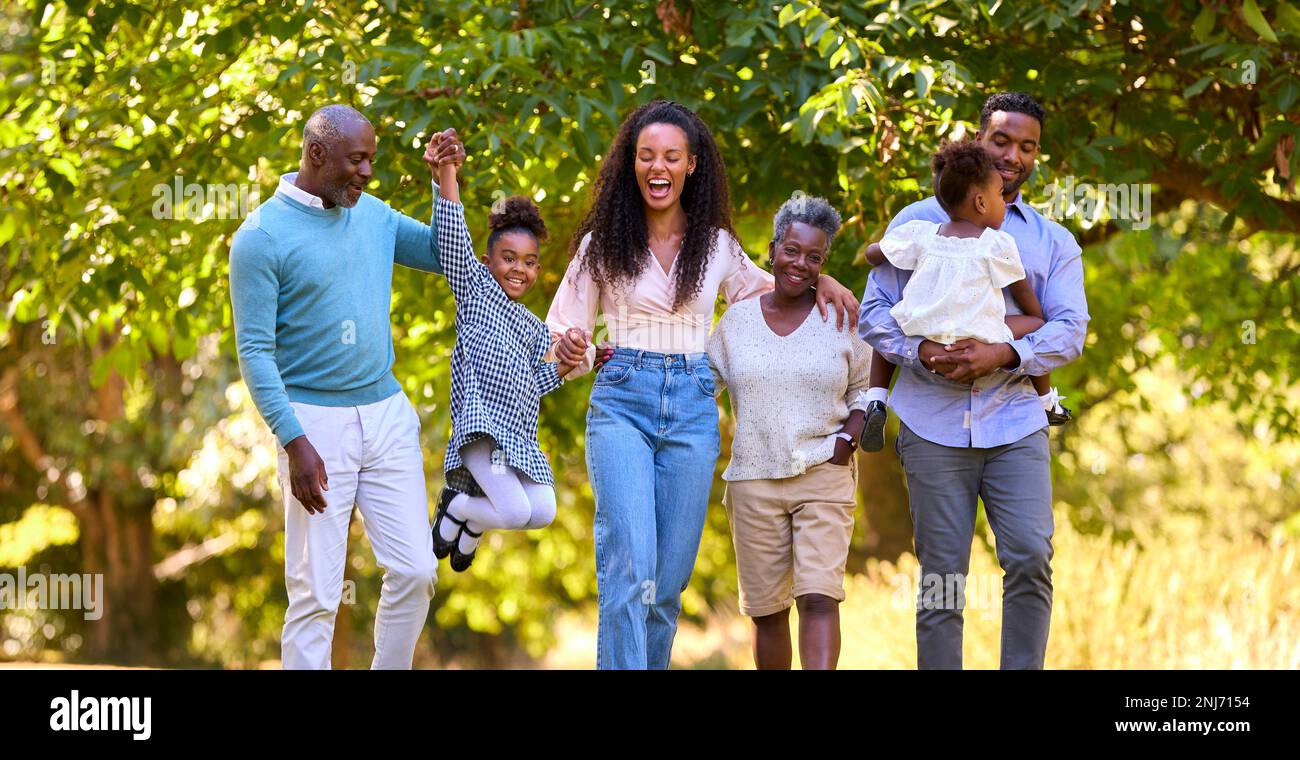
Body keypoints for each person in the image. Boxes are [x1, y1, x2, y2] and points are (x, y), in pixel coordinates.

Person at [546, 99, 860, 669]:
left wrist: (826, 275)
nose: (657, 167)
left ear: (692, 165)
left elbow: (780, 284)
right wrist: (576, 346)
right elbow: (560, 331)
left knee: (665, 584)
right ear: (630, 163)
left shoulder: (714, 245)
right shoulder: (602, 244)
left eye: (671, 156)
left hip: (693, 405)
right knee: (629, 566)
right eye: (646, 156)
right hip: (622, 401)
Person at [859, 92, 1090, 669]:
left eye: (1027, 145)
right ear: (977, 142)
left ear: (1037, 155)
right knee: (942, 576)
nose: (1013, 154)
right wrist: (923, 350)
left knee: (1032, 556)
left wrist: (1003, 355)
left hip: (1015, 422)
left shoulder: (1052, 242)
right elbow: (875, 313)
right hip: (932, 426)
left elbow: (1068, 330)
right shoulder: (916, 223)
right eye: (1002, 140)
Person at [229, 105, 465, 669]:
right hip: (314, 425)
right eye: (356, 160)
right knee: (315, 595)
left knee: (415, 570)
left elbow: (444, 254)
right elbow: (256, 353)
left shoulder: (376, 217)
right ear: (316, 154)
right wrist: (294, 440)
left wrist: (446, 183)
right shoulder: (260, 239)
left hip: (386, 412)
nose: (367, 173)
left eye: (371, 161)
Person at [706, 195, 871, 669]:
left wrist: (848, 440)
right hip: (753, 480)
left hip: (824, 470)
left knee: (819, 597)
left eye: (814, 257)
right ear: (774, 249)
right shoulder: (735, 323)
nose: (800, 264)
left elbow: (864, 386)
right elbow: (702, 386)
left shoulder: (840, 318)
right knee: (768, 612)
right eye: (792, 251)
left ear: (824, 263)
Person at [426, 134, 584, 573]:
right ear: (487, 260)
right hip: (482, 430)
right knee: (514, 512)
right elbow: (452, 231)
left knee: (544, 509)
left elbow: (539, 380)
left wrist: (569, 363)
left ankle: (470, 519)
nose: (521, 269)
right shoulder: (473, 288)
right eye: (509, 258)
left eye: (530, 261)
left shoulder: (533, 327)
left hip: (518, 438)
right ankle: (457, 507)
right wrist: (447, 172)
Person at [856, 139, 1071, 452]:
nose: (1003, 202)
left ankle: (876, 397)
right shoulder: (997, 244)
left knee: (895, 316)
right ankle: (1046, 400)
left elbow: (874, 253)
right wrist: (1035, 315)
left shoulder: (921, 232)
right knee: (1037, 326)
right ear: (982, 203)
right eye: (999, 195)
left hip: (927, 332)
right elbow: (1022, 291)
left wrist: (879, 252)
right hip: (979, 336)